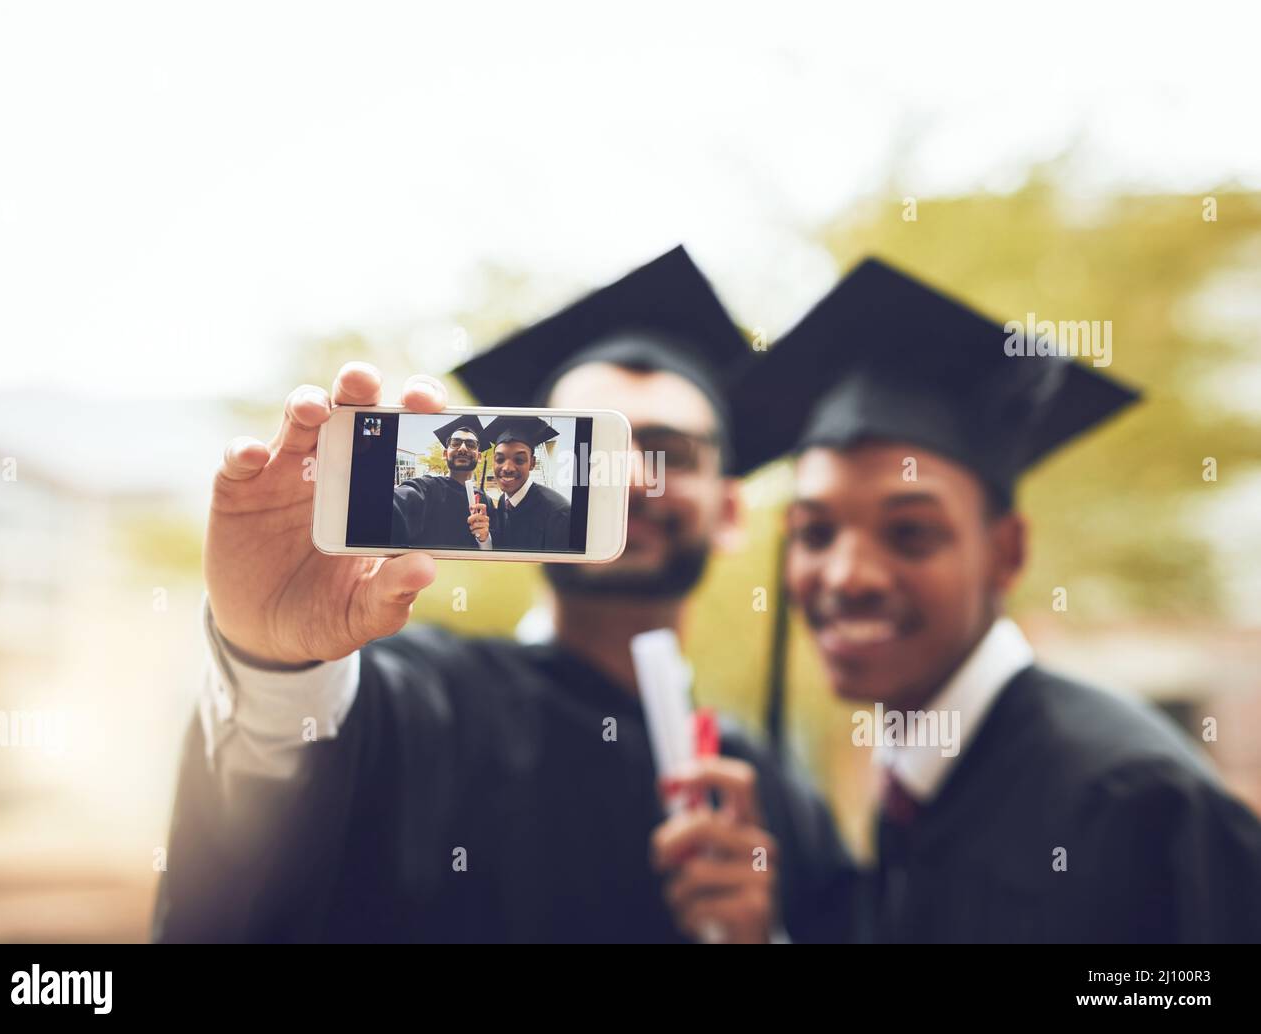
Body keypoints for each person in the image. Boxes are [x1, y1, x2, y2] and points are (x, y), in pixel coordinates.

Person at [153, 246, 854, 943]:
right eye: (596, 451)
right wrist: (276, 664)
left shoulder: (774, 797)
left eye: (671, 453)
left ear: (732, 512)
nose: (636, 480)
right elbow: (286, 777)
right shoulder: (423, 704)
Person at [732, 257, 1261, 943]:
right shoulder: (915, 784)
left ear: (1007, 552)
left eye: (910, 532)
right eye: (815, 532)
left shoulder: (1136, 807)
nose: (847, 576)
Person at [389, 415, 495, 549]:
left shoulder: (486, 501)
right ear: (445, 454)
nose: (463, 448)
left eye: (471, 444)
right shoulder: (427, 488)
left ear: (479, 457)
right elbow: (398, 503)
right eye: (455, 443)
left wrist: (484, 538)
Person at [480, 416, 571, 551]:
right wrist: (484, 537)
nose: (507, 468)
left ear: (532, 463)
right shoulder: (503, 501)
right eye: (500, 459)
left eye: (519, 460)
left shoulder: (558, 513)